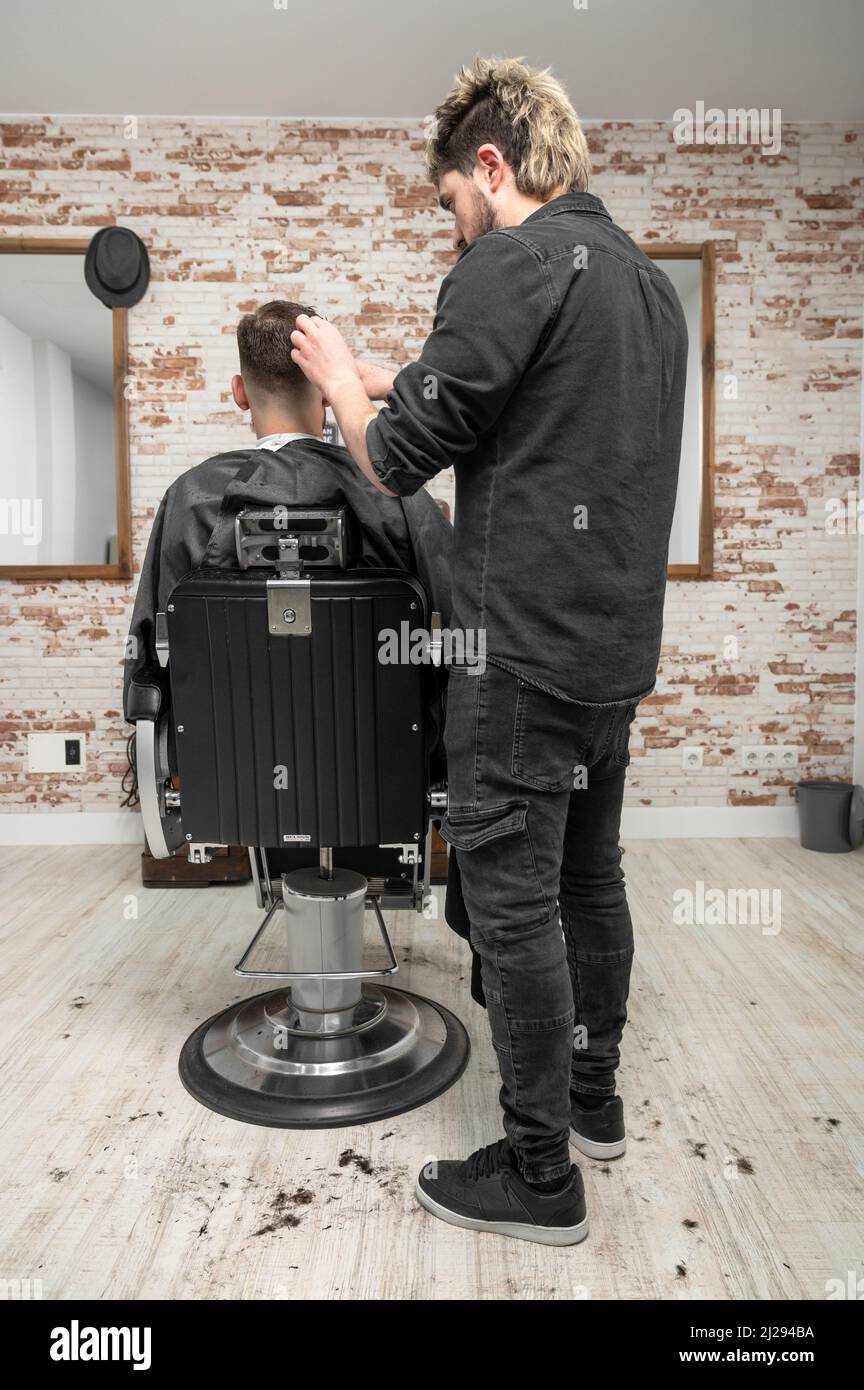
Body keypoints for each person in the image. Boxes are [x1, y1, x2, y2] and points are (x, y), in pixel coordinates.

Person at [289, 57, 688, 1247]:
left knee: (514, 913)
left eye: (450, 199)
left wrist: (338, 378)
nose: (450, 223)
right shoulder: (649, 287)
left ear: (495, 165)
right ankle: (591, 1098)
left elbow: (400, 459)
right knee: (590, 879)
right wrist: (394, 380)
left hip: (518, 659)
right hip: (614, 659)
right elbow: (533, 415)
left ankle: (538, 1177)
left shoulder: (507, 261)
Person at [123, 300, 453, 759]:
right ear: (326, 389)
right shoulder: (395, 492)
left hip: (231, 770)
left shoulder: (190, 499)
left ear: (239, 392)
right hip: (380, 766)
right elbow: (457, 631)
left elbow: (151, 654)